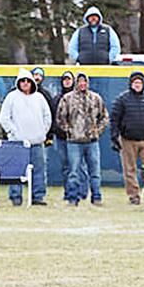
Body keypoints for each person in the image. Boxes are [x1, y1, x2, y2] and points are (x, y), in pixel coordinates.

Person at [0, 68, 52, 206]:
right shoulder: (11, 97)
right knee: (16, 171)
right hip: (18, 143)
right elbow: (4, 118)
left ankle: (38, 197)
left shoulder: (40, 98)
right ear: (18, 82)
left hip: (37, 141)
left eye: (28, 81)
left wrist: (42, 132)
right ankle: (16, 197)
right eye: (22, 81)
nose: (25, 83)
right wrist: (13, 132)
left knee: (39, 170)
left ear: (32, 82)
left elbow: (47, 117)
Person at [56, 72, 109, 206]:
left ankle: (96, 197)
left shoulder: (96, 98)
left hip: (92, 141)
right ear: (76, 83)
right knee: (73, 171)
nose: (82, 84)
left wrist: (98, 130)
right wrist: (69, 130)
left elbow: (104, 117)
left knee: (95, 172)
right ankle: (73, 198)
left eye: (84, 81)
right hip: (74, 142)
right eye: (79, 81)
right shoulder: (67, 99)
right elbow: (60, 118)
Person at [111, 71, 144, 205]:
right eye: (135, 82)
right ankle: (134, 196)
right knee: (129, 170)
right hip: (127, 140)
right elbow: (114, 119)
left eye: (140, 82)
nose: (137, 85)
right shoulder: (122, 99)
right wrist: (114, 137)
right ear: (131, 84)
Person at [54, 71, 88, 200]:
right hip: (62, 138)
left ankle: (82, 192)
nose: (67, 82)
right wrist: (61, 131)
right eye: (65, 80)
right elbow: (55, 118)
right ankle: (69, 192)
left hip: (77, 139)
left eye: (69, 79)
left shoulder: (80, 98)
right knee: (66, 167)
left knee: (80, 166)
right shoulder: (57, 99)